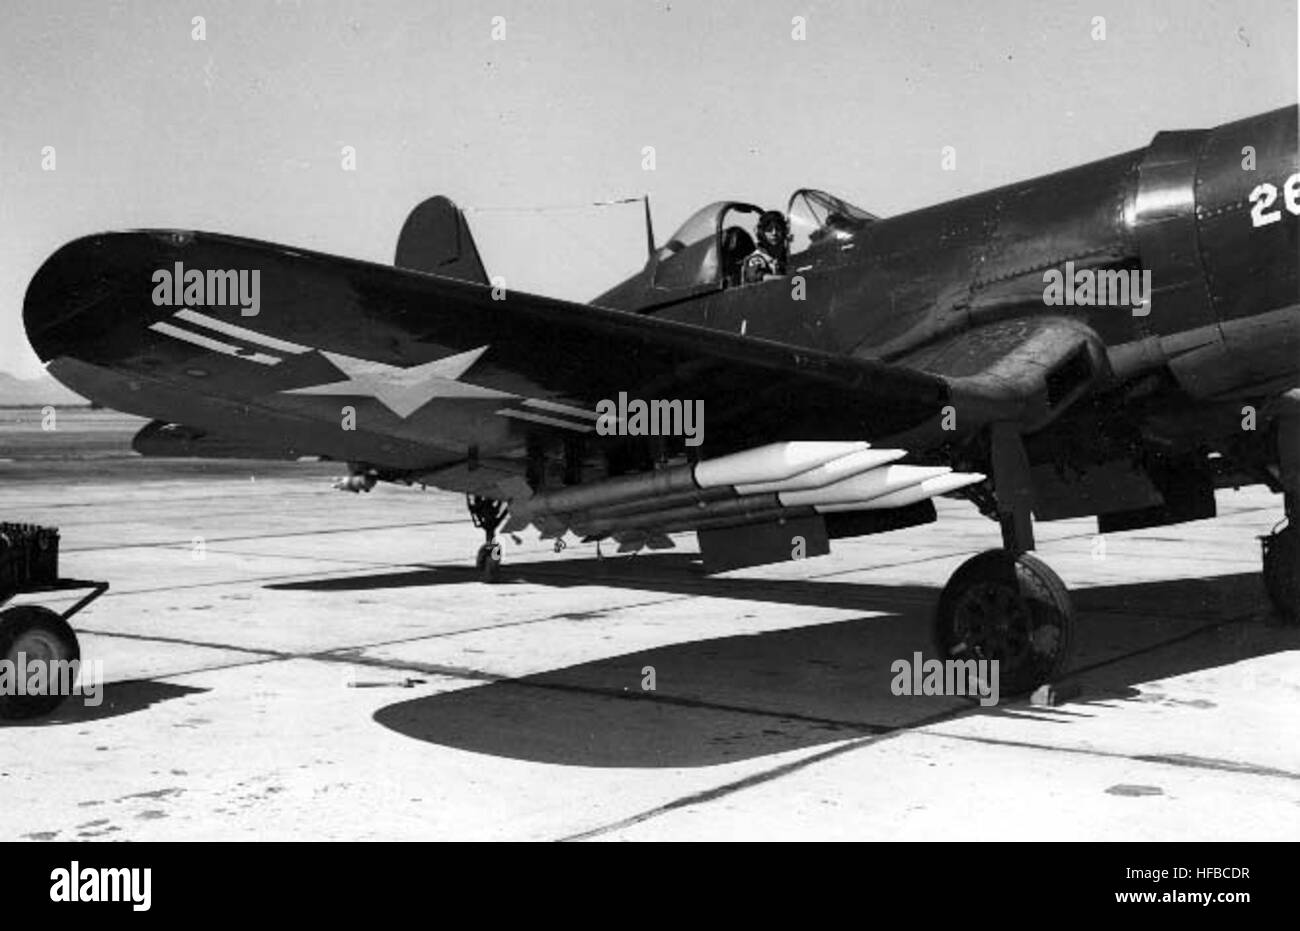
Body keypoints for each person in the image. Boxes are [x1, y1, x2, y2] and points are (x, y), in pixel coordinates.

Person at [741, 211, 789, 284]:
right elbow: (758, 277)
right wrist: (789, 279)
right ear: (762, 233)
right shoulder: (756, 258)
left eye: (778, 229)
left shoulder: (784, 256)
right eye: (769, 230)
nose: (774, 233)